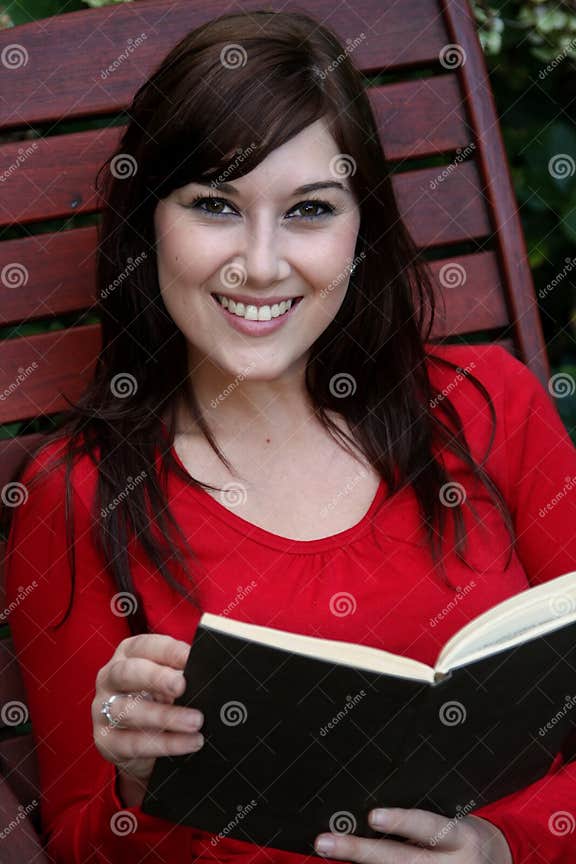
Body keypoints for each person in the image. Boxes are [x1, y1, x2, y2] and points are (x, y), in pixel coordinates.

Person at [3, 8, 576, 864]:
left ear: (361, 227)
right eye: (214, 205)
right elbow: (85, 843)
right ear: (147, 224)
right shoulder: (77, 496)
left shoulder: (491, 405)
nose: (262, 264)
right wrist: (135, 785)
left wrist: (505, 848)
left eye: (309, 209)